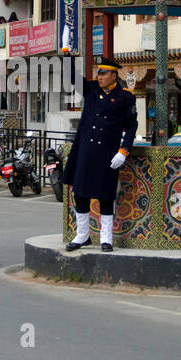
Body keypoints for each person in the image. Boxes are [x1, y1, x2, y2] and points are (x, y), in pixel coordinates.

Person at [63, 56, 137, 252]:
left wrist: (124, 150)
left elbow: (131, 126)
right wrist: (66, 55)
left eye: (104, 73)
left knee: (105, 196)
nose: (100, 76)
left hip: (107, 152)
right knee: (80, 193)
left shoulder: (126, 97)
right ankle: (82, 235)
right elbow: (72, 77)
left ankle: (106, 239)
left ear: (114, 75)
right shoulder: (92, 89)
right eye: (99, 72)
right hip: (86, 150)